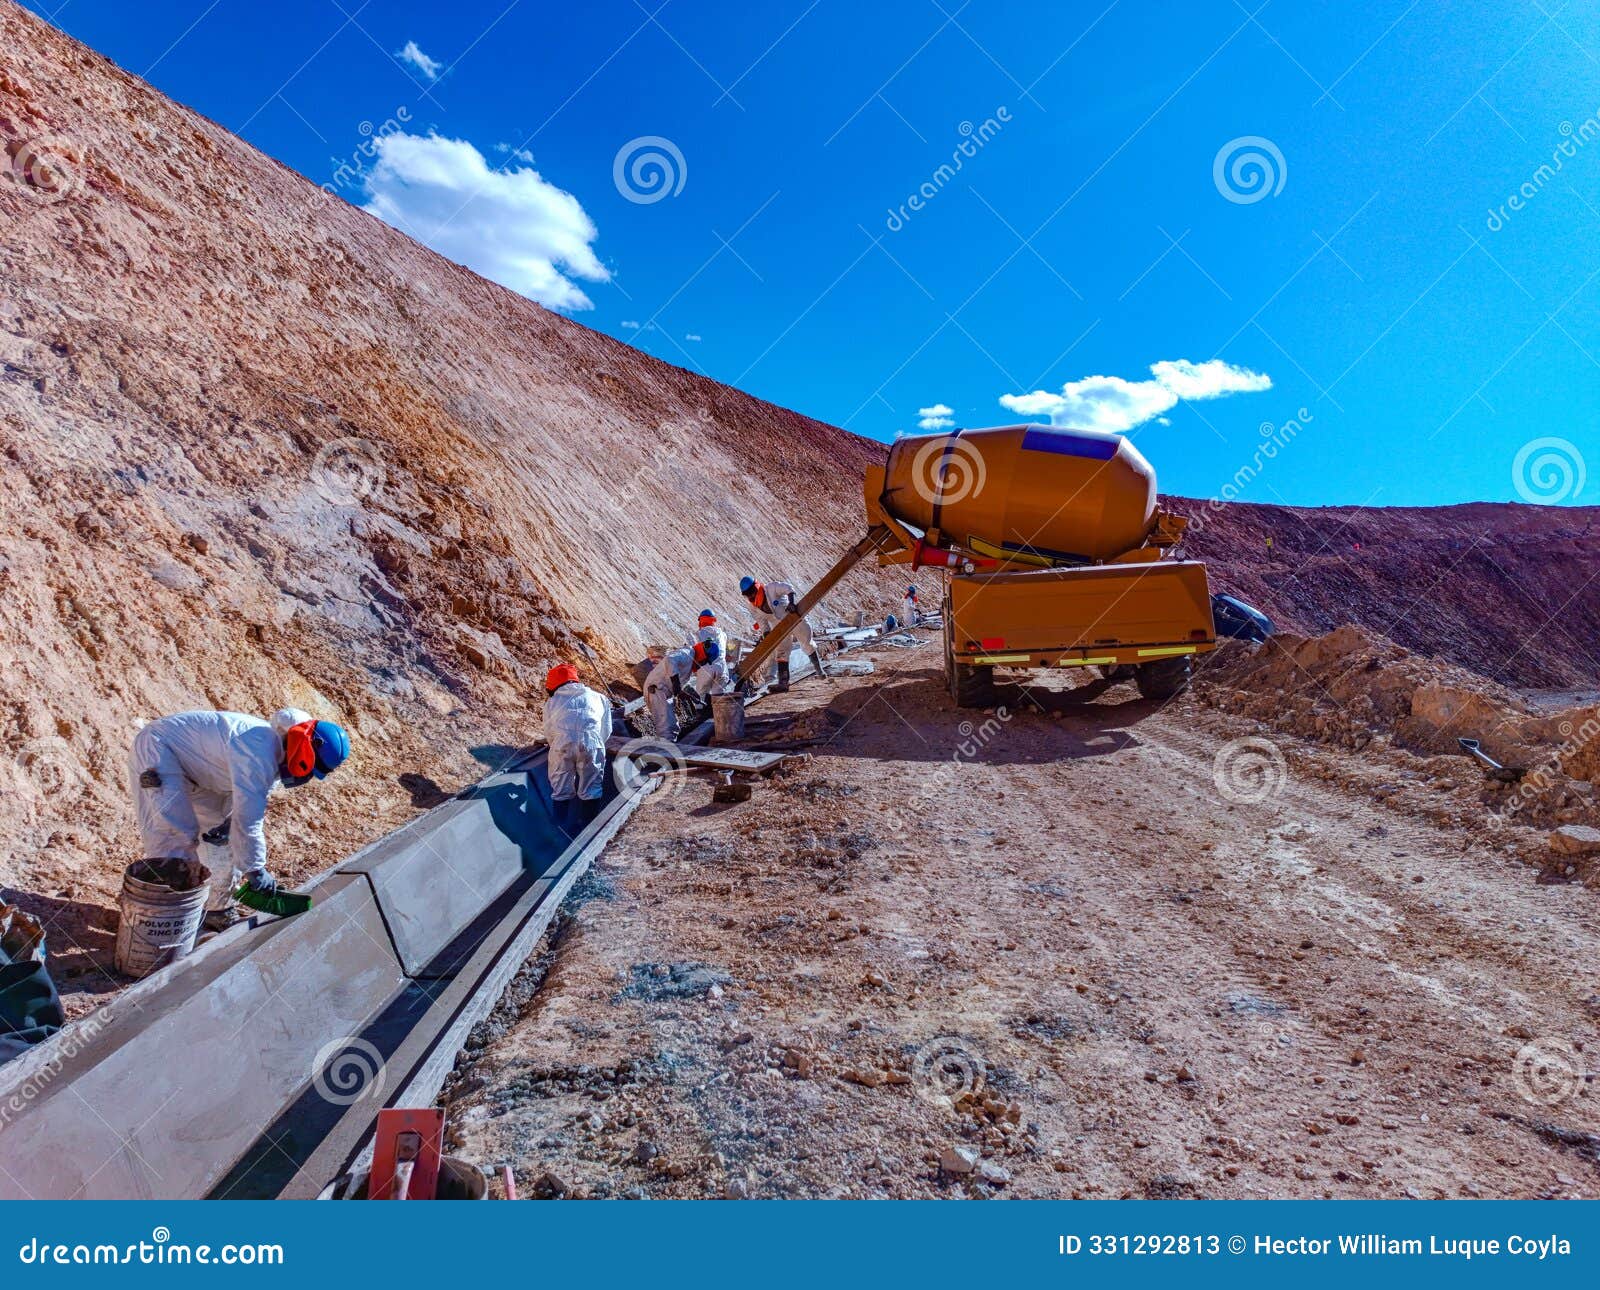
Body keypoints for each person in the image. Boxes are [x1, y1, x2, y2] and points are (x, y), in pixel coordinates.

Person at [128, 710, 351, 930]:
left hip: (201, 773)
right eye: (311, 770)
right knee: (175, 835)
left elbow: (245, 808)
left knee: (222, 842)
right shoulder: (259, 748)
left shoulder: (275, 757)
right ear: (306, 753)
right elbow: (249, 822)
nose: (307, 776)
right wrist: (256, 869)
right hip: (160, 751)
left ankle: (217, 910)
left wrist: (229, 824)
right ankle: (162, 922)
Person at [542, 663, 613, 836]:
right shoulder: (599, 697)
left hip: (562, 746)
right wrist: (595, 745)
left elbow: (549, 731)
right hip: (591, 743)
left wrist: (559, 746)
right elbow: (606, 729)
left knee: (560, 789)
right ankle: (587, 831)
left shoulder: (551, 702)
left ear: (554, 685)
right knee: (591, 788)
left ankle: (558, 830)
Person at [740, 575, 826, 693]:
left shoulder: (771, 588)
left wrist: (791, 603)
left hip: (791, 617)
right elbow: (762, 621)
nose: (751, 596)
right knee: (781, 652)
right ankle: (783, 683)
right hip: (777, 626)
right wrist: (766, 634)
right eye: (748, 594)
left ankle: (819, 670)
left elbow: (788, 588)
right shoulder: (752, 606)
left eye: (751, 592)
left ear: (756, 587)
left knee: (807, 643)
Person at [644, 645, 696, 740]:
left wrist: (688, 690)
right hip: (656, 690)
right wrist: (677, 686)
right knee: (666, 729)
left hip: (663, 691)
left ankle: (670, 747)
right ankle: (666, 751)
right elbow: (670, 660)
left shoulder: (689, 658)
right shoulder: (687, 653)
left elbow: (680, 676)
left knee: (672, 726)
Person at [690, 610, 730, 700]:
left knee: (701, 695)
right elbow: (727, 649)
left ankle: (702, 712)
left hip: (706, 668)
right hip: (722, 668)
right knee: (719, 697)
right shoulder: (723, 634)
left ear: (700, 621)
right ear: (714, 620)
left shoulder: (698, 634)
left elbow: (692, 651)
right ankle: (719, 712)